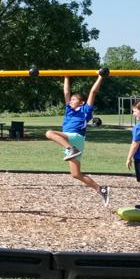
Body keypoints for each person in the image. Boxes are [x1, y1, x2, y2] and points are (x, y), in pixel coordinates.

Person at [43, 76, 110, 205]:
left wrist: (100, 77)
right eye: (71, 99)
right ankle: (101, 189)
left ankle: (71, 149)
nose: (71, 100)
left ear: (81, 102)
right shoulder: (69, 110)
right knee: (76, 174)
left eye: (74, 99)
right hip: (71, 140)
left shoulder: (86, 110)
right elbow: (66, 92)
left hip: (75, 137)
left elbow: (93, 92)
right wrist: (66, 77)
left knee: (49, 133)